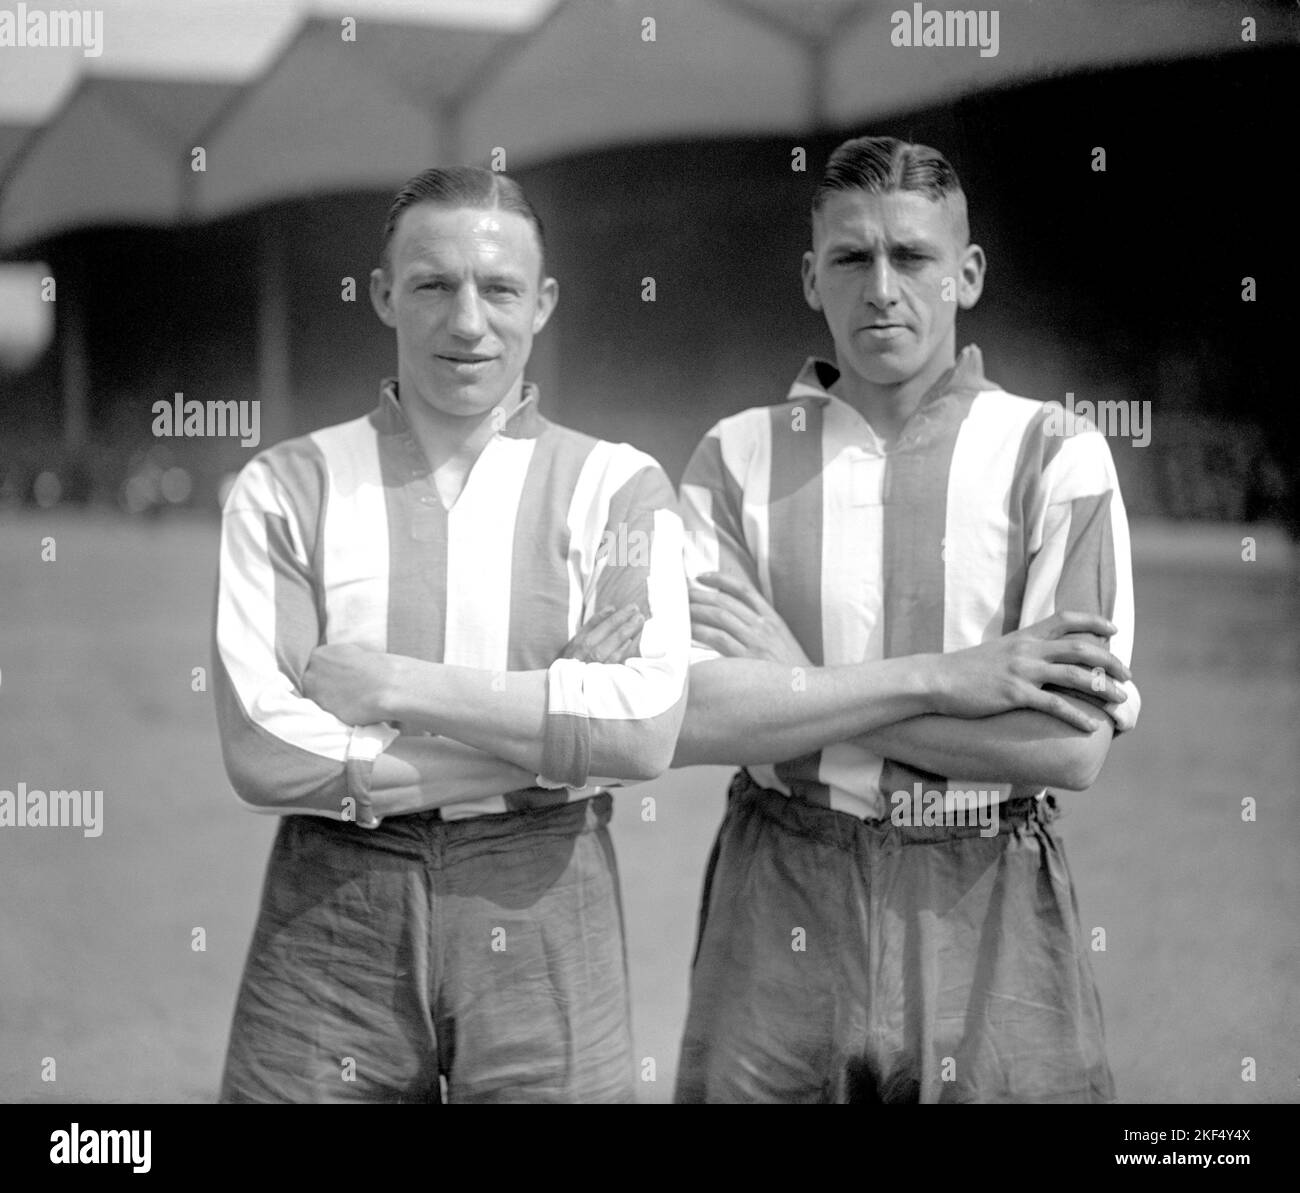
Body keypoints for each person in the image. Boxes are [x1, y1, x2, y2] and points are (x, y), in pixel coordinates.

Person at [671, 135, 1141, 1103]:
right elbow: (691, 719)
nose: (881, 287)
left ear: (964, 273)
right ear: (811, 276)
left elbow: (1066, 750)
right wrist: (950, 682)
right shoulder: (734, 459)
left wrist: (797, 683)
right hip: (781, 876)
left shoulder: (1058, 456)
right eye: (850, 258)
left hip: (987, 879)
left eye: (911, 257)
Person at [211, 166, 689, 1104]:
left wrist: (393, 685)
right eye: (434, 284)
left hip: (546, 892)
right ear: (386, 293)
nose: (468, 321)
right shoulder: (284, 486)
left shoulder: (620, 487)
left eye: (499, 287)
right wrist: (558, 734)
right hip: (338, 896)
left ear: (542, 303)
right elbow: (263, 750)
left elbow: (645, 726)